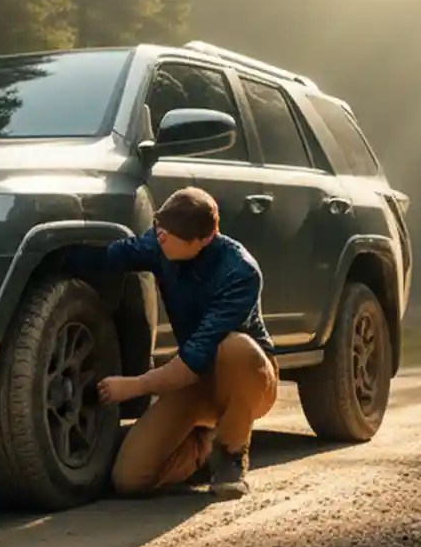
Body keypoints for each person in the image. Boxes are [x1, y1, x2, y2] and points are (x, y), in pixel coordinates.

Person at [66, 186, 279, 500]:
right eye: (159, 228)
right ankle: (201, 450)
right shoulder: (160, 241)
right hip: (195, 380)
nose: (161, 237)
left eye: (171, 234)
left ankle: (231, 456)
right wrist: (51, 258)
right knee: (130, 479)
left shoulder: (240, 272)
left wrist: (135, 386)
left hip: (246, 381)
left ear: (205, 239)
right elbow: (111, 255)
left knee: (236, 348)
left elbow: (194, 359)